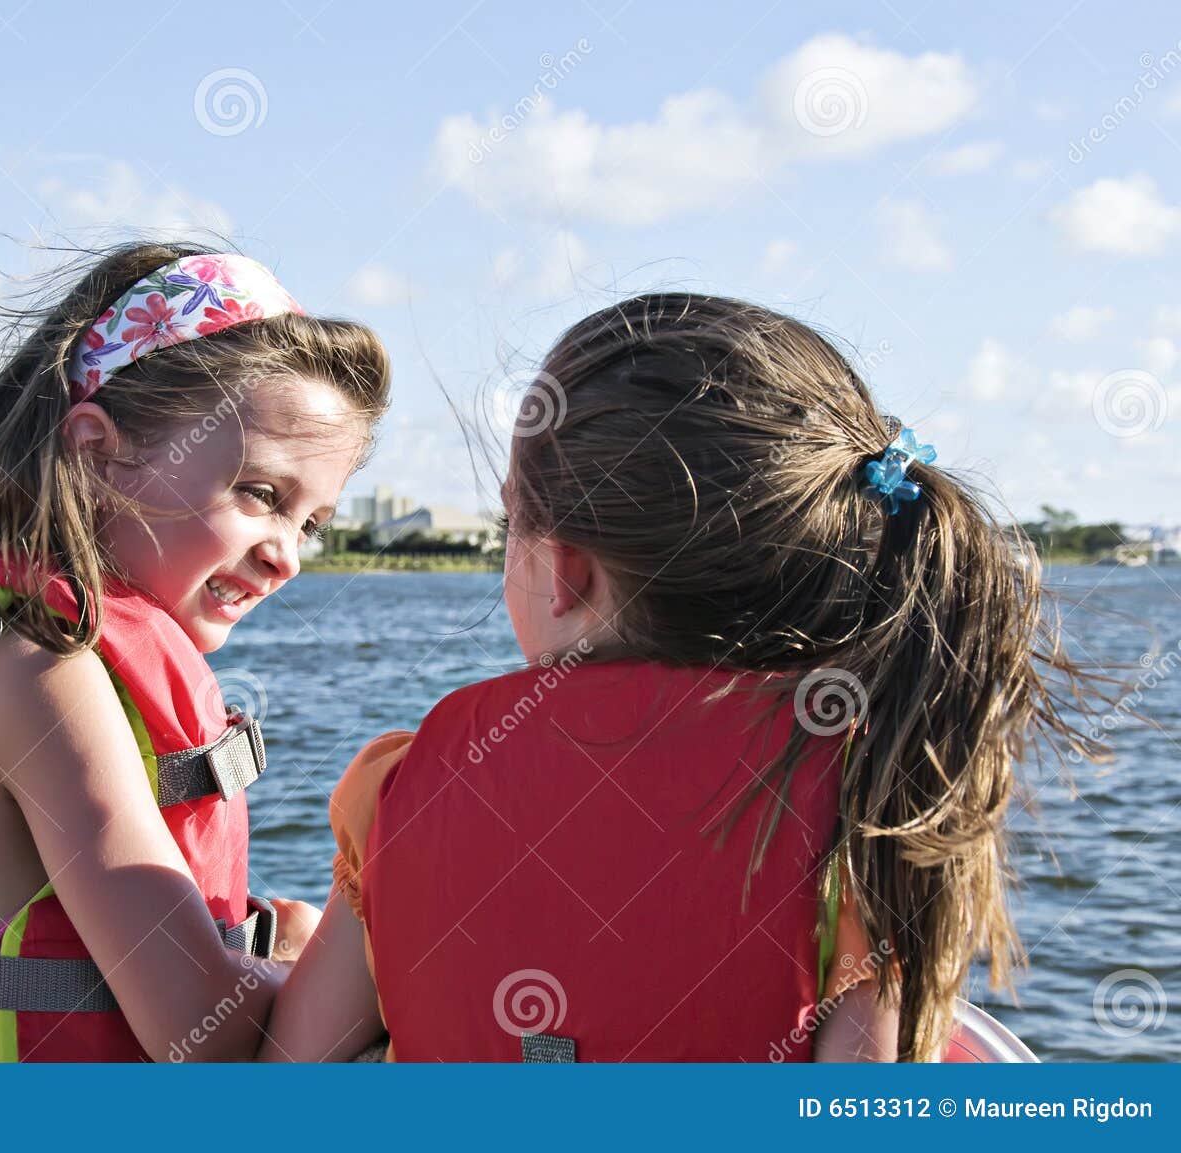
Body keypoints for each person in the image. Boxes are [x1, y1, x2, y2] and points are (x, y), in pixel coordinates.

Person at [261, 293, 1102, 1063]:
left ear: (564, 570)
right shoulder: (866, 801)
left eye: (509, 523)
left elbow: (289, 1079)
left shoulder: (397, 791)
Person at [0, 242, 390, 1062]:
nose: (288, 555)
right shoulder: (43, 672)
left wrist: (253, 945)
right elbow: (206, 1037)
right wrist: (335, 957)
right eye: (261, 495)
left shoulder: (5, 642)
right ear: (95, 453)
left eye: (311, 524)